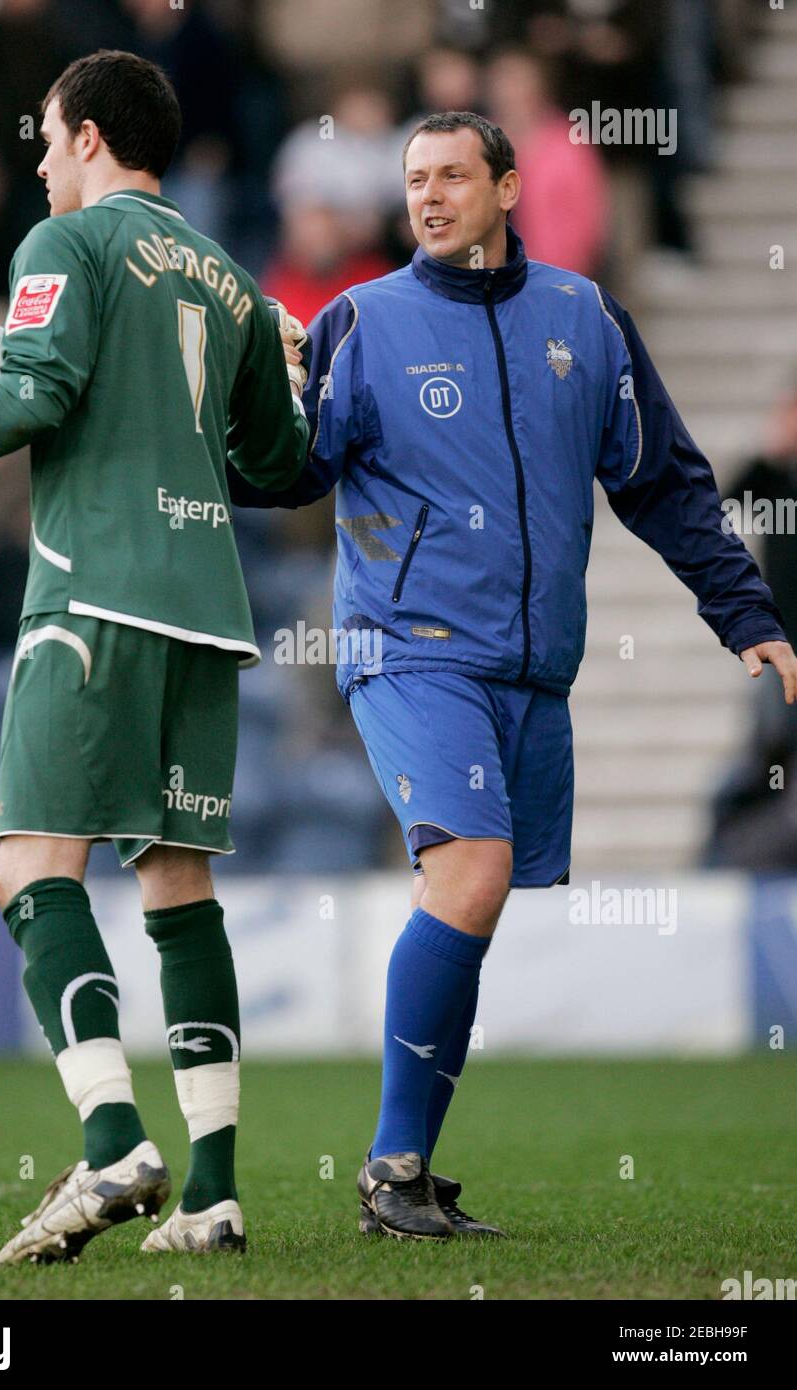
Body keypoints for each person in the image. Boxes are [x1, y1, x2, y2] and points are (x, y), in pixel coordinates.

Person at [228, 110, 797, 1241]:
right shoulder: (362, 319)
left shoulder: (582, 320)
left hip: (533, 668)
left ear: (504, 185)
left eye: (450, 175)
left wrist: (744, 612)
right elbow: (289, 477)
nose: (428, 197)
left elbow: (663, 482)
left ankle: (411, 1175)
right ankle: (388, 1166)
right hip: (407, 648)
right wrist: (267, 400)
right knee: (471, 872)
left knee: (477, 907)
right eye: (412, 180)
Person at [0, 49, 308, 1263]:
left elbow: (38, 391)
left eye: (48, 136)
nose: (36, 157)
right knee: (178, 889)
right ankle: (214, 1192)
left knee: (28, 869)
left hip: (89, 598)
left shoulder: (60, 247)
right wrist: (290, 367)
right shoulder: (228, 275)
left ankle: (114, 1136)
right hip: (206, 614)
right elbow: (278, 470)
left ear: (87, 137)